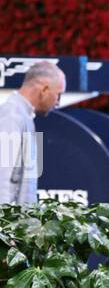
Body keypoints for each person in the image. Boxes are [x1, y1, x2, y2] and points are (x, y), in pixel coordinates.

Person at [0, 60, 65, 205]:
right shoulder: (12, 116)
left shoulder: (24, 117)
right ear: (44, 89)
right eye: (58, 95)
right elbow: (3, 178)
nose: (58, 103)